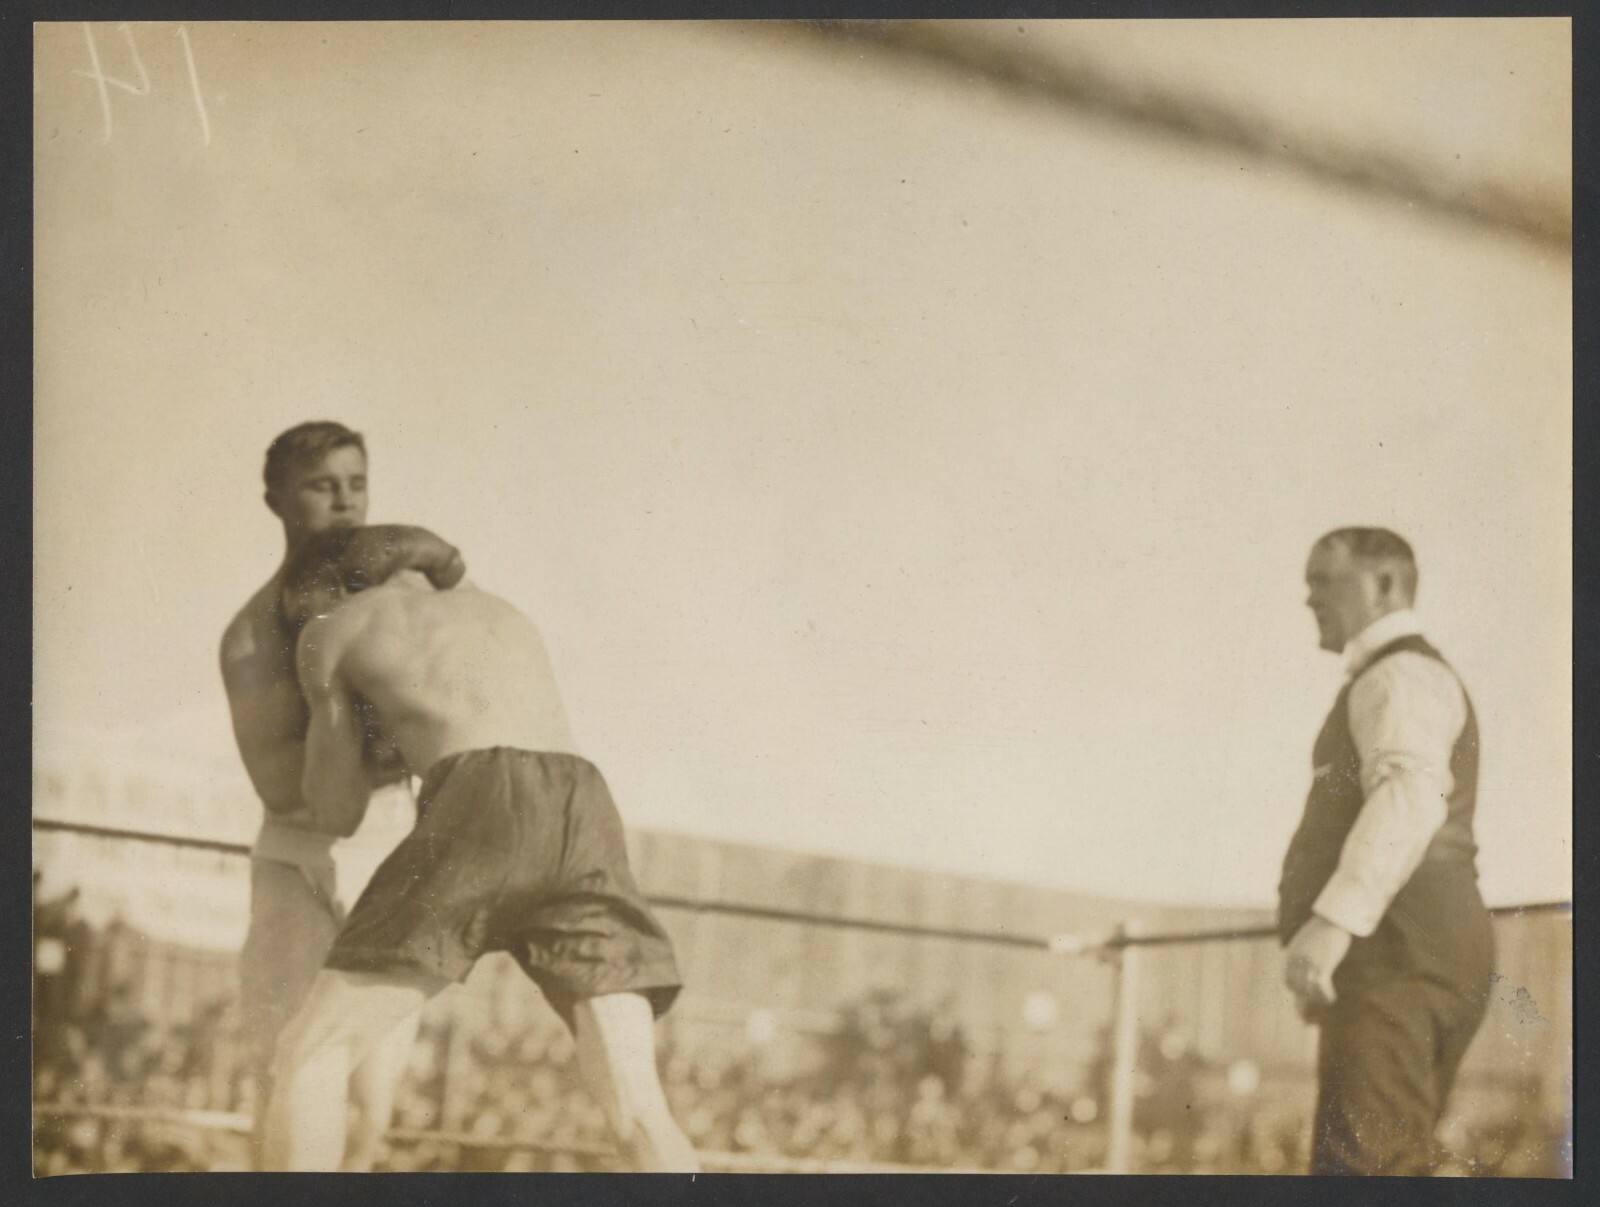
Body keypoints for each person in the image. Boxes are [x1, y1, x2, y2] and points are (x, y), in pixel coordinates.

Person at [261, 527, 697, 1172]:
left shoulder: (336, 626)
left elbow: (336, 809)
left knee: (308, 1055)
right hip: (582, 802)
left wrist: (360, 732)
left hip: (480, 798)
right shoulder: (504, 613)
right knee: (637, 1104)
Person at [219, 422, 464, 1170]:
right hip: (299, 861)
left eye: (357, 483)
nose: (347, 504)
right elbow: (283, 788)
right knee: (289, 1078)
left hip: (390, 855)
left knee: (374, 1112)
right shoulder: (252, 633)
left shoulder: (397, 605)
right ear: (277, 500)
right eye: (323, 486)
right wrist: (361, 715)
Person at [1278, 527, 1494, 1175]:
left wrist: (1332, 922)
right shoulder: (1396, 674)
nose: (1308, 597)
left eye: (1323, 580)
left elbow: (1409, 794)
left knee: (1363, 1170)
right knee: (1393, 1163)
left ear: (1382, 586)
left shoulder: (1400, 673)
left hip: (1399, 961)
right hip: (1410, 958)